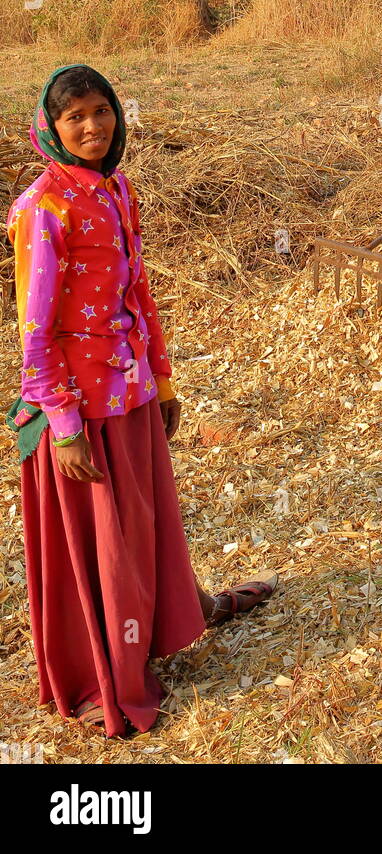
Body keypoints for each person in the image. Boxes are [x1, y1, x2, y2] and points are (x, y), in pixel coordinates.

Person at [6, 64, 277, 738]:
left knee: (145, 527)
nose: (93, 127)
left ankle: (177, 616)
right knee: (106, 550)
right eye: (76, 118)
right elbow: (34, 332)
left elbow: (139, 294)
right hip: (80, 411)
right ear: (52, 130)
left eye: (102, 111)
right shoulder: (45, 209)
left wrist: (165, 379)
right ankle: (109, 675)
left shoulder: (115, 188)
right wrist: (63, 427)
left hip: (129, 392)